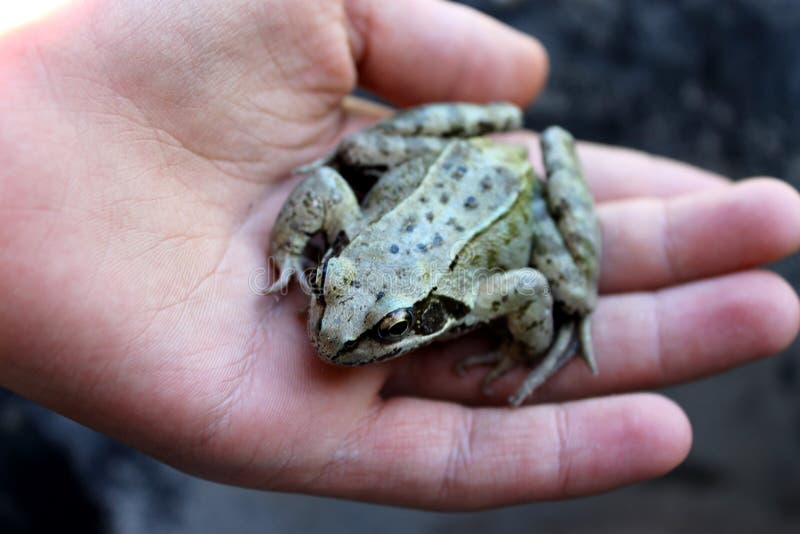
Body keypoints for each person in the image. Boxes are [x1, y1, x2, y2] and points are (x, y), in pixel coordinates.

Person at [0, 0, 798, 510]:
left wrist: (530, 333)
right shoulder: (344, 273)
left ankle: (564, 317)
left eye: (382, 329)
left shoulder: (466, 298)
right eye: (328, 285)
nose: (331, 333)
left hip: (505, 196)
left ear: (418, 319)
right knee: (363, 159)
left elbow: (523, 282)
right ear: (338, 263)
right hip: (434, 183)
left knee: (571, 294)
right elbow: (321, 189)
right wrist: (289, 253)